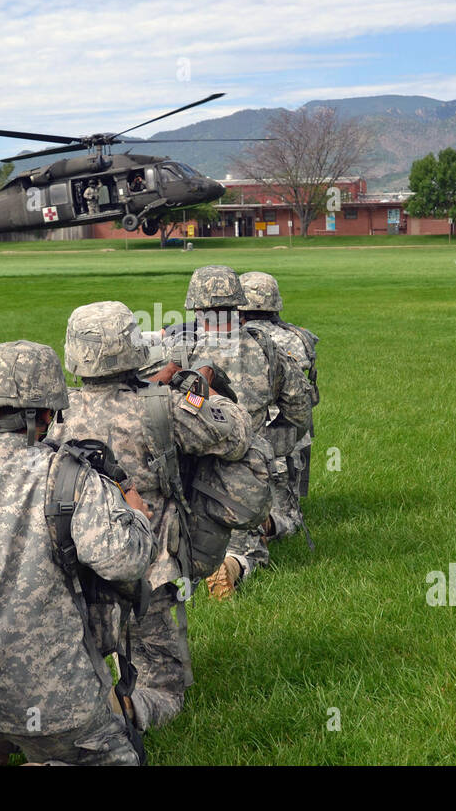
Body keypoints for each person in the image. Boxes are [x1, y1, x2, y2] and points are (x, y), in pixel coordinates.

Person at [0, 340, 157, 765]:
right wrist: (136, 514)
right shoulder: (70, 477)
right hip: (58, 704)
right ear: (47, 414)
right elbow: (127, 560)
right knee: (122, 758)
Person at [50, 301, 250, 731]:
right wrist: (201, 385)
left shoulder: (53, 414)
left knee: (76, 660)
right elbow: (236, 434)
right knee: (165, 690)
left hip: (74, 568)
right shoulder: (162, 407)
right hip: (150, 572)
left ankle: (17, 732)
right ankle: (117, 715)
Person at [163, 266, 312, 598]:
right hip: (247, 480)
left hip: (187, 485)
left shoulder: (180, 353)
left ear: (196, 307)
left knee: (182, 543)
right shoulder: (267, 349)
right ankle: (231, 565)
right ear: (238, 305)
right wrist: (266, 447)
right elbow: (300, 413)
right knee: (249, 549)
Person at [238, 271, 320, 539]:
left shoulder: (236, 339)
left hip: (247, 434)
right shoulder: (299, 337)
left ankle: (252, 529)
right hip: (290, 435)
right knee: (288, 512)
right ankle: (271, 525)